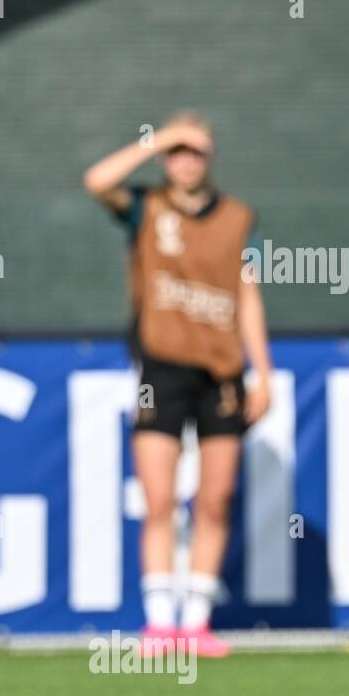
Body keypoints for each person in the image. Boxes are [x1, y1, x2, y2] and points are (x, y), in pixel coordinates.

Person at [83, 111, 272, 657]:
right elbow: (97, 181)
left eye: (196, 151)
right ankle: (160, 623)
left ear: (211, 157)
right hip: (160, 368)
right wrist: (159, 138)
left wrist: (263, 371)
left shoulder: (238, 217)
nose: (186, 161)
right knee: (160, 498)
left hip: (222, 372)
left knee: (214, 500)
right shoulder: (146, 206)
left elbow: (248, 293)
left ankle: (197, 621)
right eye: (178, 152)